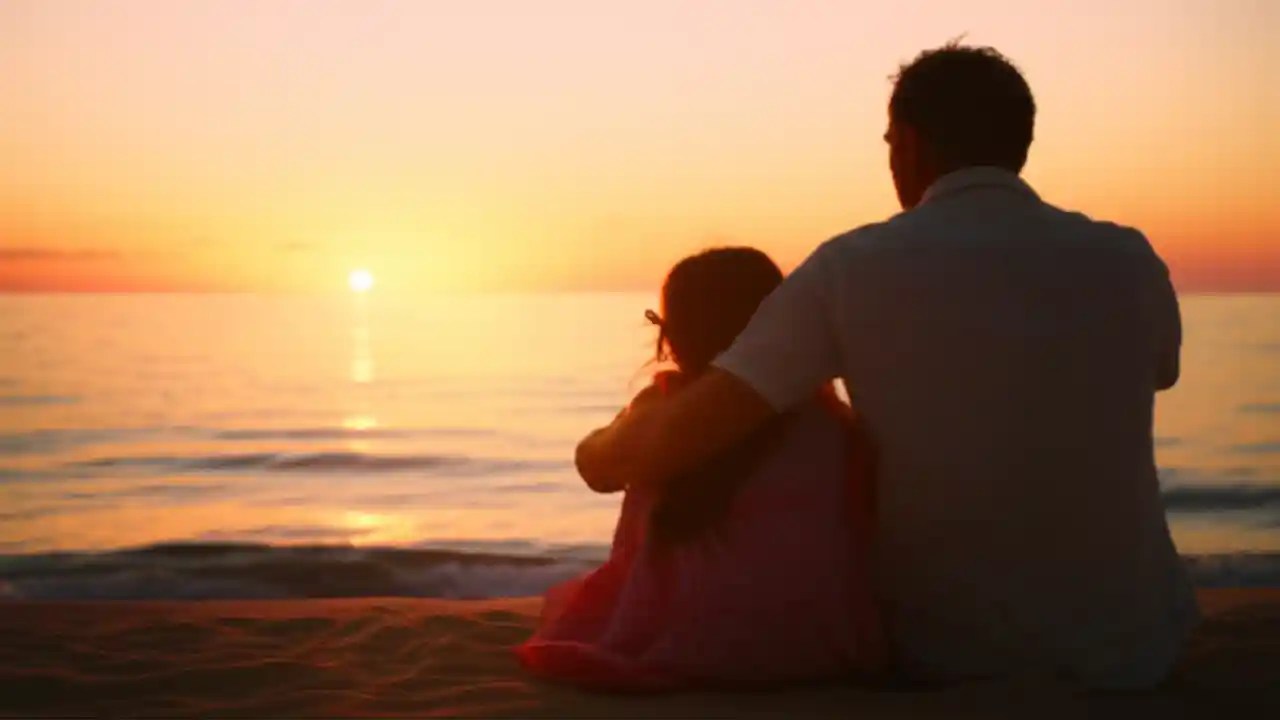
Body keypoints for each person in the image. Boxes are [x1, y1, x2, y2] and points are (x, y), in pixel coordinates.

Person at [576, 44, 1197, 688]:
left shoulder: (852, 268)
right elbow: (1160, 372)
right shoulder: (1127, 258)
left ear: (908, 144)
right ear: (1020, 143)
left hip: (943, 651)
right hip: (1140, 647)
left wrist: (598, 450)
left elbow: (687, 433)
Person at [518, 247, 884, 690]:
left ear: (674, 336)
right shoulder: (829, 418)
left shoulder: (665, 409)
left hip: (691, 639)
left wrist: (620, 429)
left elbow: (596, 469)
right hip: (818, 644)